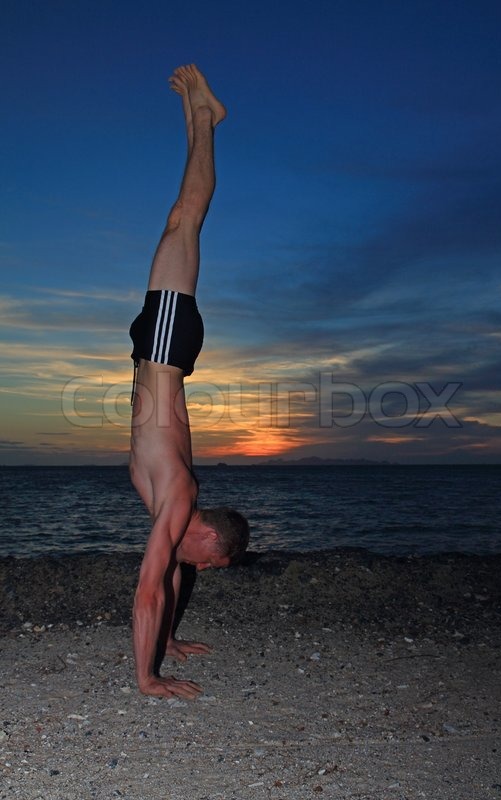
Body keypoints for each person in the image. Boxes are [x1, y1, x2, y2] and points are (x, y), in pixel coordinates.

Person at [128, 64, 249, 699]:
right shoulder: (178, 498)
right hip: (165, 347)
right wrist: (148, 678)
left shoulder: (174, 514)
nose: (205, 568)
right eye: (212, 561)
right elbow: (150, 587)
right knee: (184, 219)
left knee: (182, 221)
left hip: (158, 351)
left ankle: (200, 116)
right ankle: (206, 118)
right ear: (209, 536)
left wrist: (166, 642)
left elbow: (168, 578)